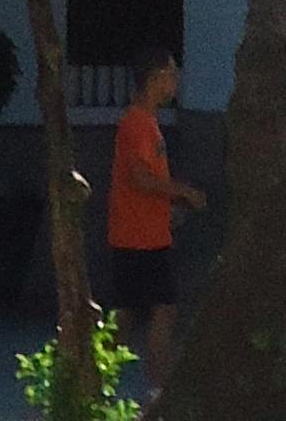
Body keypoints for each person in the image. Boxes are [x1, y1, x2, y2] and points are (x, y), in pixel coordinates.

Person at [106, 46, 206, 393]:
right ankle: (159, 391)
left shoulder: (149, 123)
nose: (176, 81)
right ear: (155, 78)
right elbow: (140, 179)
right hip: (136, 238)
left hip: (149, 234)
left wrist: (170, 212)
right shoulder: (135, 123)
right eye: (172, 74)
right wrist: (183, 191)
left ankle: (100, 384)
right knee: (157, 313)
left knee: (132, 316)